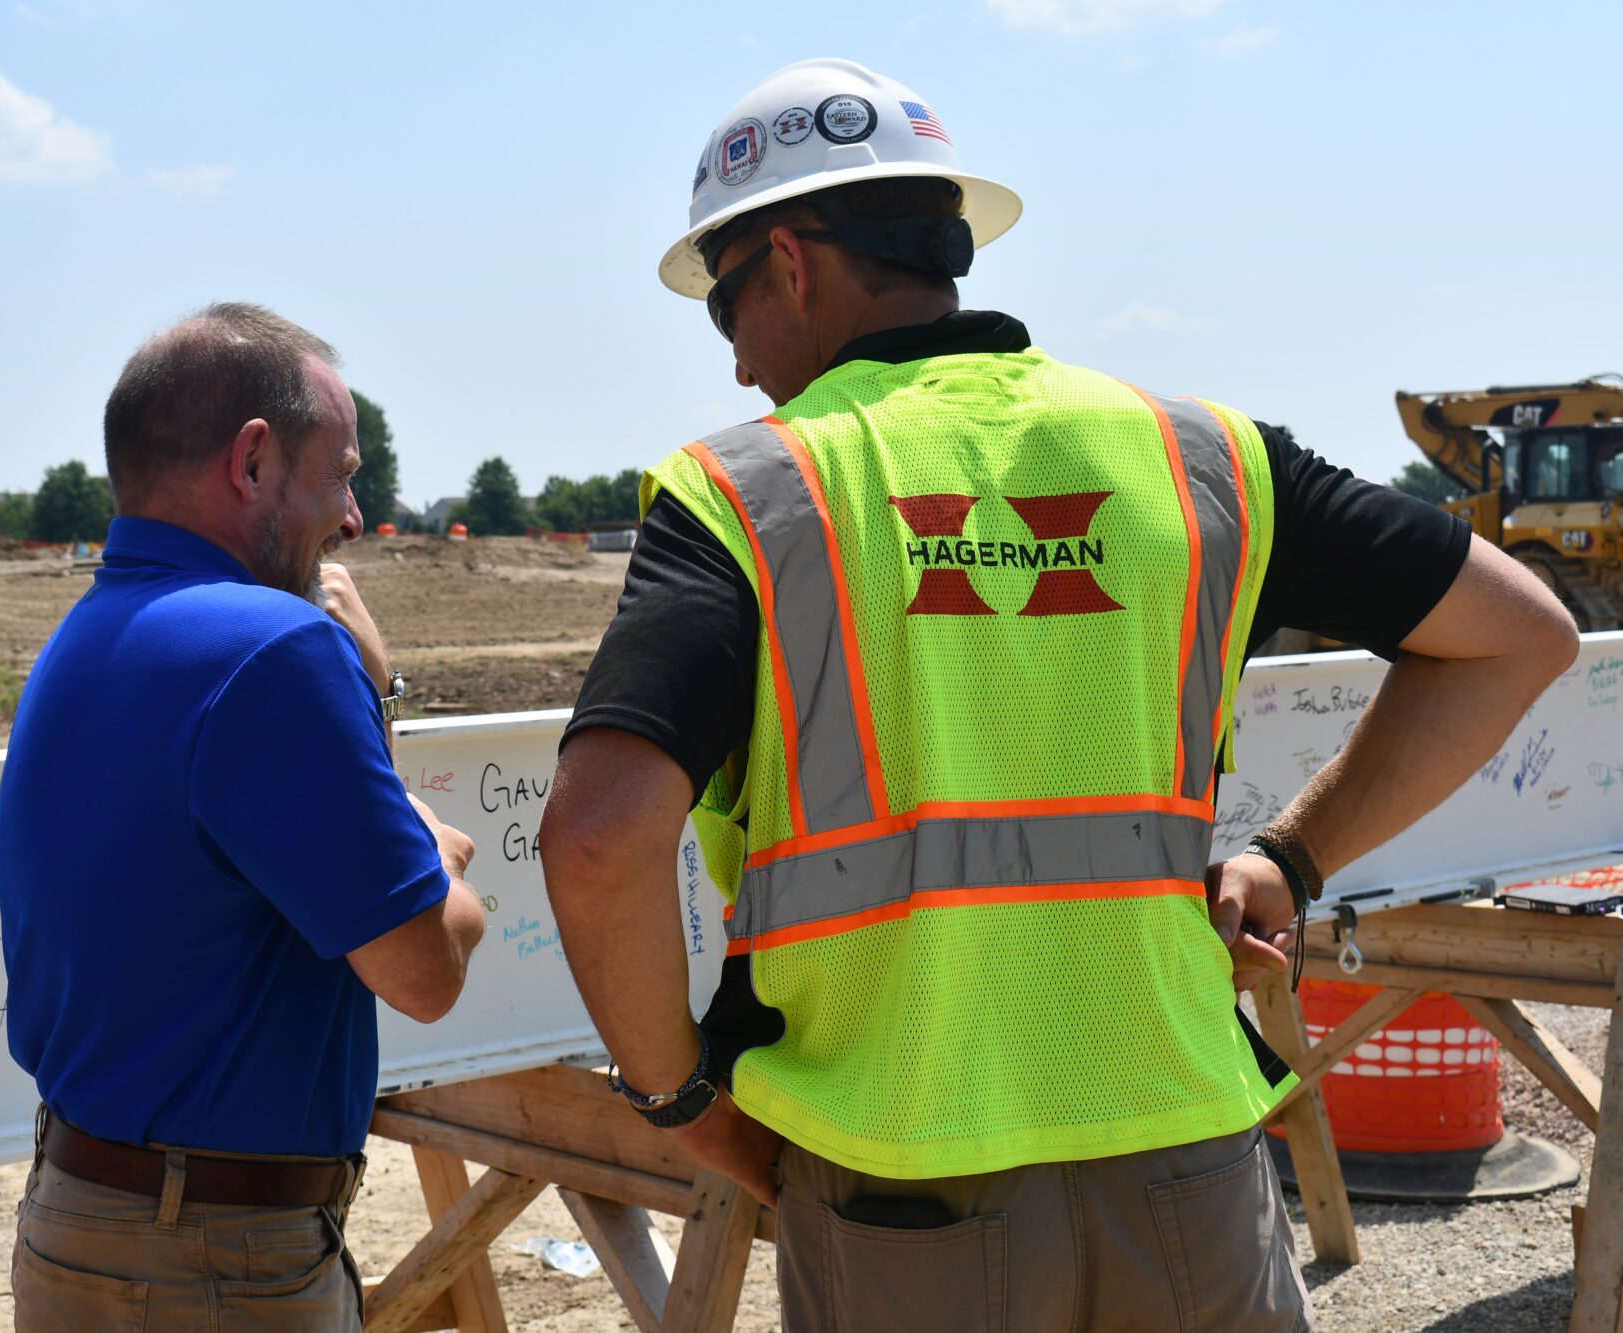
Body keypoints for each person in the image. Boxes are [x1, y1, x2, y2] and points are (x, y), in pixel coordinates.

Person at [539, 59, 1579, 1331]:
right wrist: (1293, 860)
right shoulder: (1197, 459)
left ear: (792, 260)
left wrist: (678, 1103)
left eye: (724, 304)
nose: (742, 359)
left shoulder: (749, 495)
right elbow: (1519, 634)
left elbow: (595, 840)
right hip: (1188, 1162)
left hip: (903, 1189)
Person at [0, 302, 487, 1331]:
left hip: (81, 1219)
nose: (351, 514)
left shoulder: (85, 636)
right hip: (211, 1259)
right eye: (340, 471)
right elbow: (423, 970)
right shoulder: (276, 650)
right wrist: (440, 866)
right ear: (254, 461)